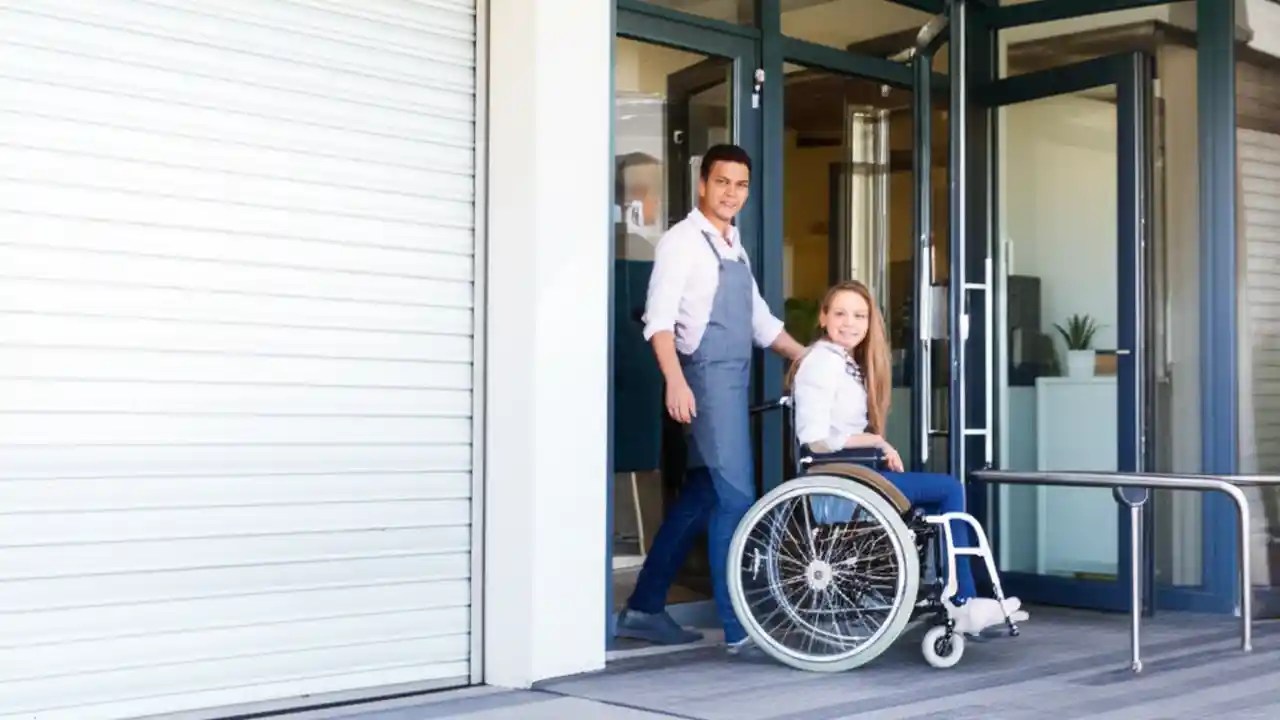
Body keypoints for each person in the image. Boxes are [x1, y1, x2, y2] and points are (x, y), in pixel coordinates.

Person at [615, 144, 806, 652]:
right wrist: (676, 382)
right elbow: (658, 321)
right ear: (703, 184)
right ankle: (740, 627)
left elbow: (761, 323)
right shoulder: (681, 242)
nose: (732, 193)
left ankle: (644, 607)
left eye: (741, 185)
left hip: (732, 381)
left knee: (704, 494)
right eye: (723, 182)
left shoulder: (733, 247)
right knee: (736, 498)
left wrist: (805, 356)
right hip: (701, 379)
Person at [790, 280, 1027, 634]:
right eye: (840, 313)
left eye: (860, 315)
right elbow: (814, 438)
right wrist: (876, 441)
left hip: (854, 475)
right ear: (823, 318)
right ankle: (963, 600)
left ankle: (955, 596)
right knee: (948, 489)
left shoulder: (843, 362)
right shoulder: (822, 363)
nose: (850, 322)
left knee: (937, 503)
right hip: (841, 481)